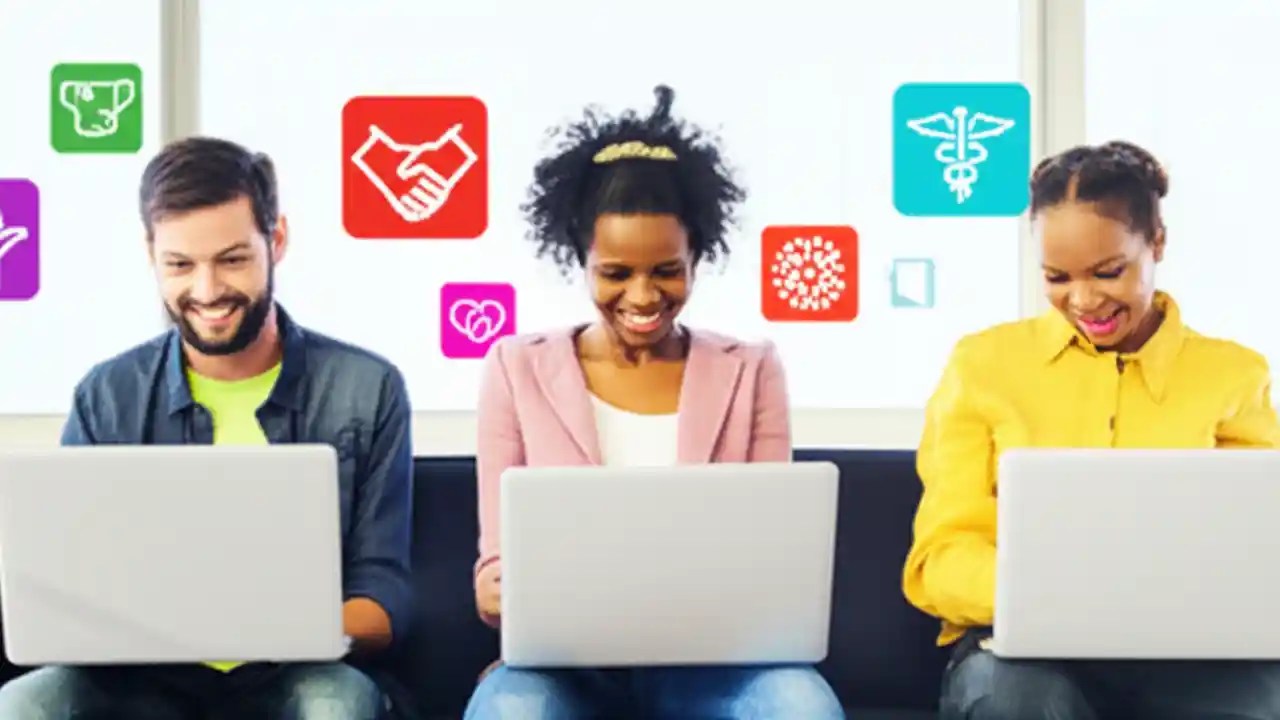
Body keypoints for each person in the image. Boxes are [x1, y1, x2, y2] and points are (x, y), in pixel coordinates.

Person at [461, 85, 845, 720]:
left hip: (717, 668)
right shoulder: (515, 367)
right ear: (579, 259)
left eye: (667, 269)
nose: (643, 296)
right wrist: (499, 588)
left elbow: (773, 562)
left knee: (799, 704)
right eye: (615, 273)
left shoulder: (752, 370)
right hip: (565, 671)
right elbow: (493, 575)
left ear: (697, 257)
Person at [0, 137, 413, 720]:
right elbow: (69, 594)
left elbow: (384, 599)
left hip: (300, 675)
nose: (207, 290)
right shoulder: (107, 395)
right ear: (151, 254)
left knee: (333, 703)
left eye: (233, 259)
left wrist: (276, 629)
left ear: (278, 240)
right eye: (180, 265)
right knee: (28, 703)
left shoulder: (366, 389)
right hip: (143, 682)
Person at [903, 140, 1280, 720]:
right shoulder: (982, 365)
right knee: (1019, 700)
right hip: (1024, 657)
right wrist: (1062, 599)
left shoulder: (1234, 374)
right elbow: (941, 558)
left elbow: (1261, 547)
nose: (1082, 300)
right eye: (1057, 277)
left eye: (1109, 272)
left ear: (1157, 242)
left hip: (1188, 656)